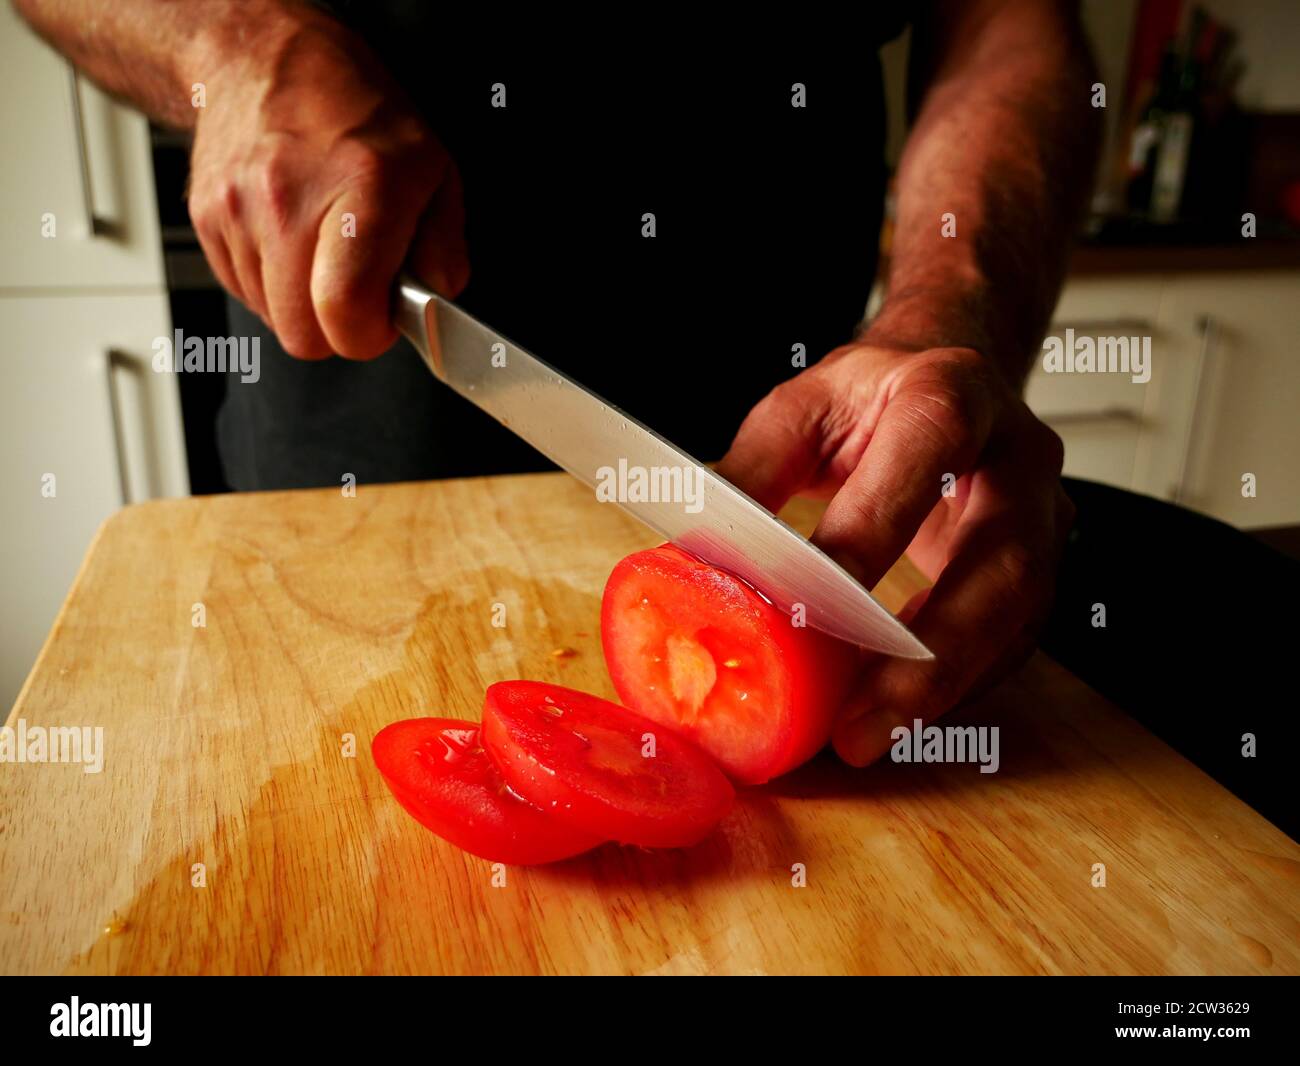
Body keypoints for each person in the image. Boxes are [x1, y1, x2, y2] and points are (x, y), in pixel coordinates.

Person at [24, 1, 1206, 788]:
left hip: (806, 411)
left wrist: (949, 315)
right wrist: (230, 41)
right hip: (367, 356)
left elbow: (1011, 23)